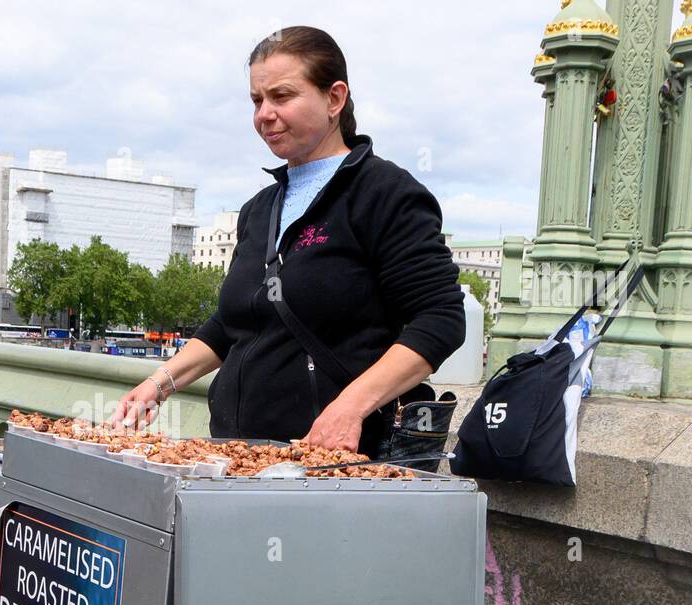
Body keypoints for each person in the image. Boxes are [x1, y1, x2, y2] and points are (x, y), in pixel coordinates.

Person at [113, 26, 464, 455]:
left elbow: (441, 318)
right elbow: (233, 325)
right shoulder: (259, 209)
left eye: (282, 97)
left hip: (334, 465)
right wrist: (157, 383)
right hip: (238, 457)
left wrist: (349, 408)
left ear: (334, 98)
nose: (265, 114)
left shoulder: (385, 194)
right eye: (257, 100)